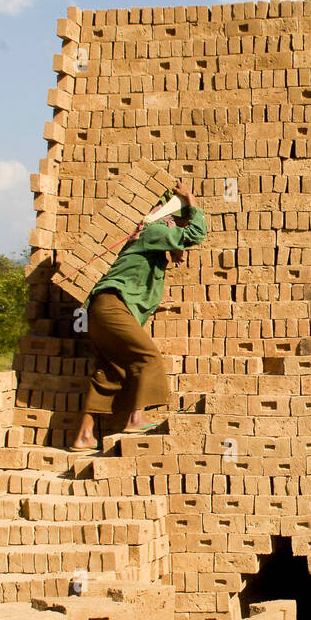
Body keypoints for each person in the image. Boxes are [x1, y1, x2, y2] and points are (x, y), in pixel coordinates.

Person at [71, 184, 206, 450]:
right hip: (110, 307)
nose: (174, 227)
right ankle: (135, 418)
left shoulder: (149, 249)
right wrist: (191, 202)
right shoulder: (151, 231)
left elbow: (134, 288)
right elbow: (195, 234)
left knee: (110, 370)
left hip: (101, 311)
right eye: (174, 222)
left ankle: (84, 435)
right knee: (148, 357)